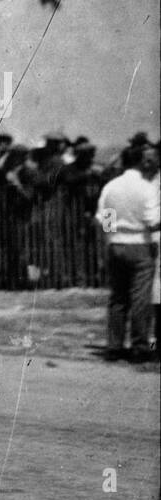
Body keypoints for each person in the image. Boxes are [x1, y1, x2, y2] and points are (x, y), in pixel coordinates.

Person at [95, 145, 161, 361]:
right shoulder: (146, 188)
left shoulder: (111, 186)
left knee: (118, 298)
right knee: (140, 298)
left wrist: (114, 235)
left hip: (116, 244)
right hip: (140, 245)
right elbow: (152, 222)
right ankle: (139, 346)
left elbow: (104, 220)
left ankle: (114, 346)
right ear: (142, 161)